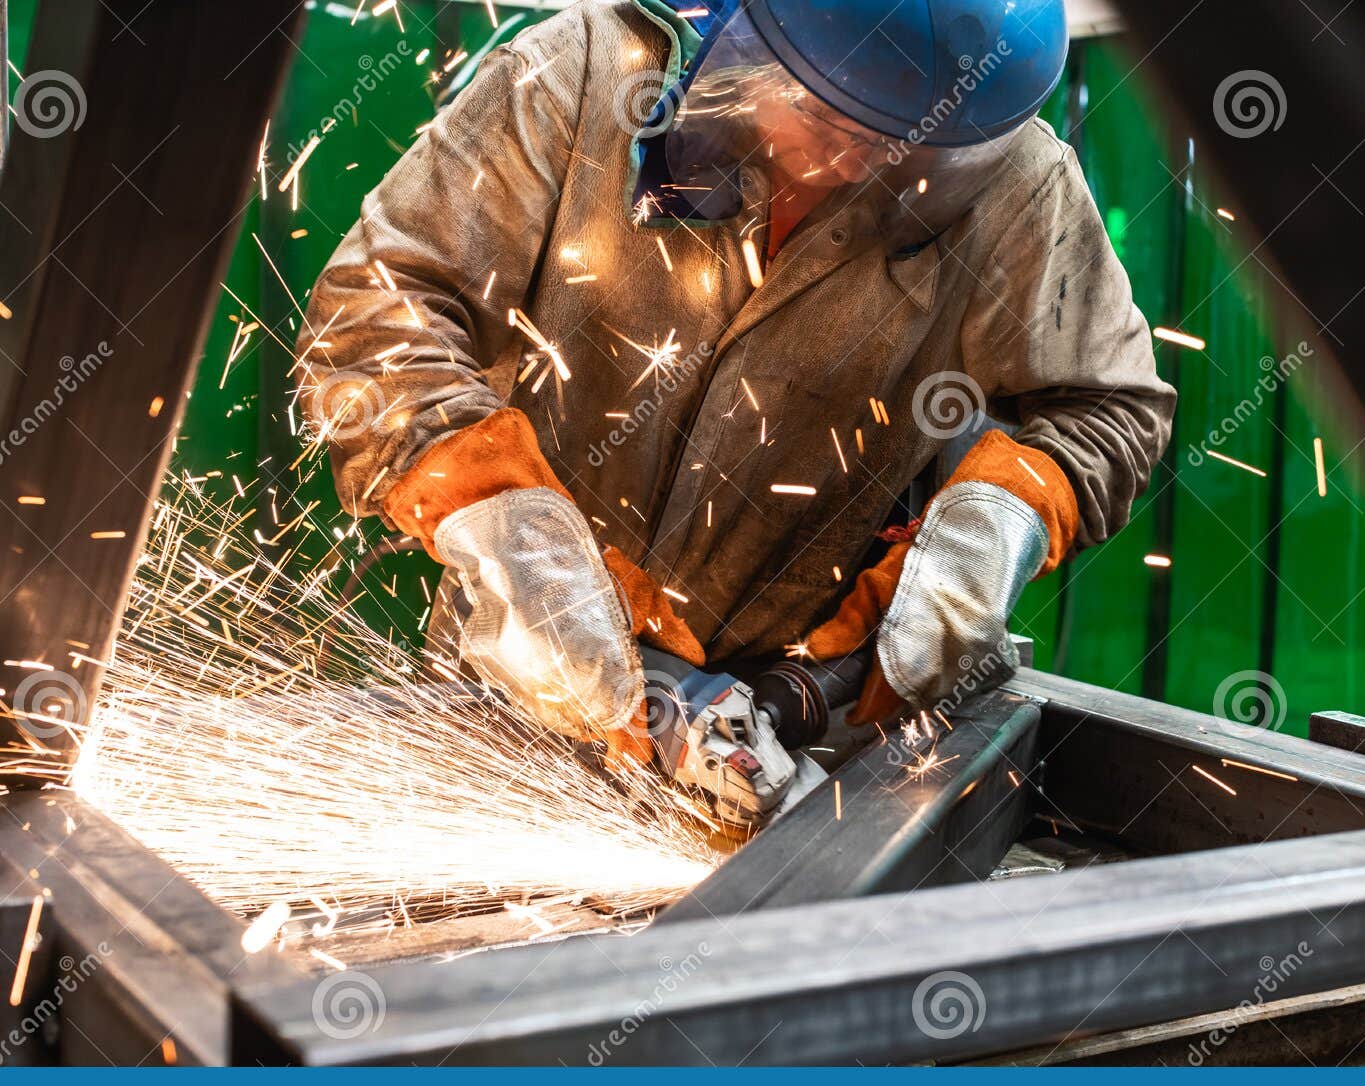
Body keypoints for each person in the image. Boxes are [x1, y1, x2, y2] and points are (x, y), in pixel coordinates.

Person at [298, 0, 1175, 797]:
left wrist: (992, 529)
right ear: (754, 39)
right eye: (828, 116)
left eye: (905, 145)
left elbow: (1114, 409)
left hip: (798, 723)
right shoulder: (582, 76)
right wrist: (506, 528)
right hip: (514, 684)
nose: (855, 159)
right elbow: (377, 311)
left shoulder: (1016, 179)